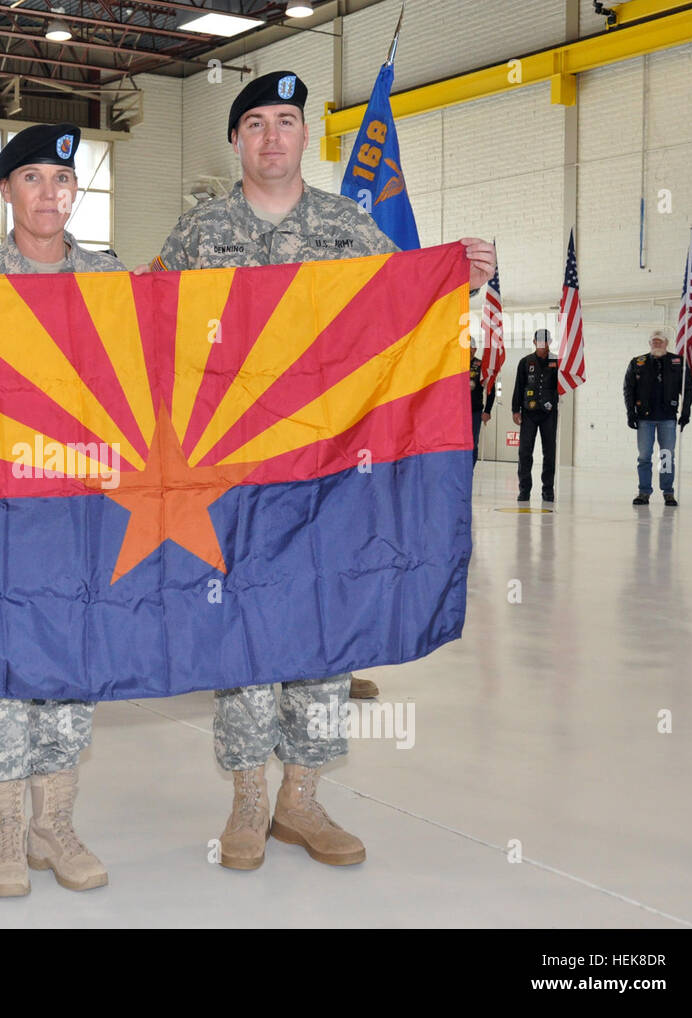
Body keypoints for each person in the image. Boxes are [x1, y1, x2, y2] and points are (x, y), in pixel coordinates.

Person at [151, 71, 496, 872]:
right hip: (232, 470)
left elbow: (400, 313)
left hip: (332, 470)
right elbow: (150, 333)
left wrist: (457, 279)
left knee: (323, 621)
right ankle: (245, 800)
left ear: (306, 136)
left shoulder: (352, 227)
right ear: (235, 141)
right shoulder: (196, 236)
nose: (273, 137)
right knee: (240, 622)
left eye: (287, 122)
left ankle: (300, 800)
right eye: (257, 124)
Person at [0, 122, 124, 899]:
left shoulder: (112, 279)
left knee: (68, 667)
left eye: (61, 179)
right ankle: (7, 835)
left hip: (83, 510)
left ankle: (56, 823)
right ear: (7, 191)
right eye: (31, 179)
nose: (48, 192)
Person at [624, 329, 692, 507]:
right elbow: (628, 389)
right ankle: (643, 492)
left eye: (660, 341)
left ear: (666, 343)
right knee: (644, 457)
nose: (657, 344)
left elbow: (687, 390)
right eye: (654, 341)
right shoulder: (637, 362)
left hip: (667, 418)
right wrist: (630, 413)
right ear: (650, 344)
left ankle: (668, 492)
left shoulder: (678, 362)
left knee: (667, 457)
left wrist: (686, 412)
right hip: (644, 418)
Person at [510, 329, 559, 502]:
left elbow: (560, 386)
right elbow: (518, 386)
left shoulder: (556, 362)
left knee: (550, 453)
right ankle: (524, 489)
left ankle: (548, 490)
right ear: (534, 342)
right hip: (529, 413)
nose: (542, 344)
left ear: (549, 342)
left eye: (545, 341)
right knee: (524, 452)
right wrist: (515, 410)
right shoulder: (525, 362)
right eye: (539, 341)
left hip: (549, 414)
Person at [470, 345, 497, 466]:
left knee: (472, 443)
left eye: (470, 348)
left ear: (475, 349)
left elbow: (490, 388)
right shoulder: (454, 365)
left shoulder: (481, 366)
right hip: (456, 413)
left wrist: (487, 410)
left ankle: (469, 471)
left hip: (474, 412)